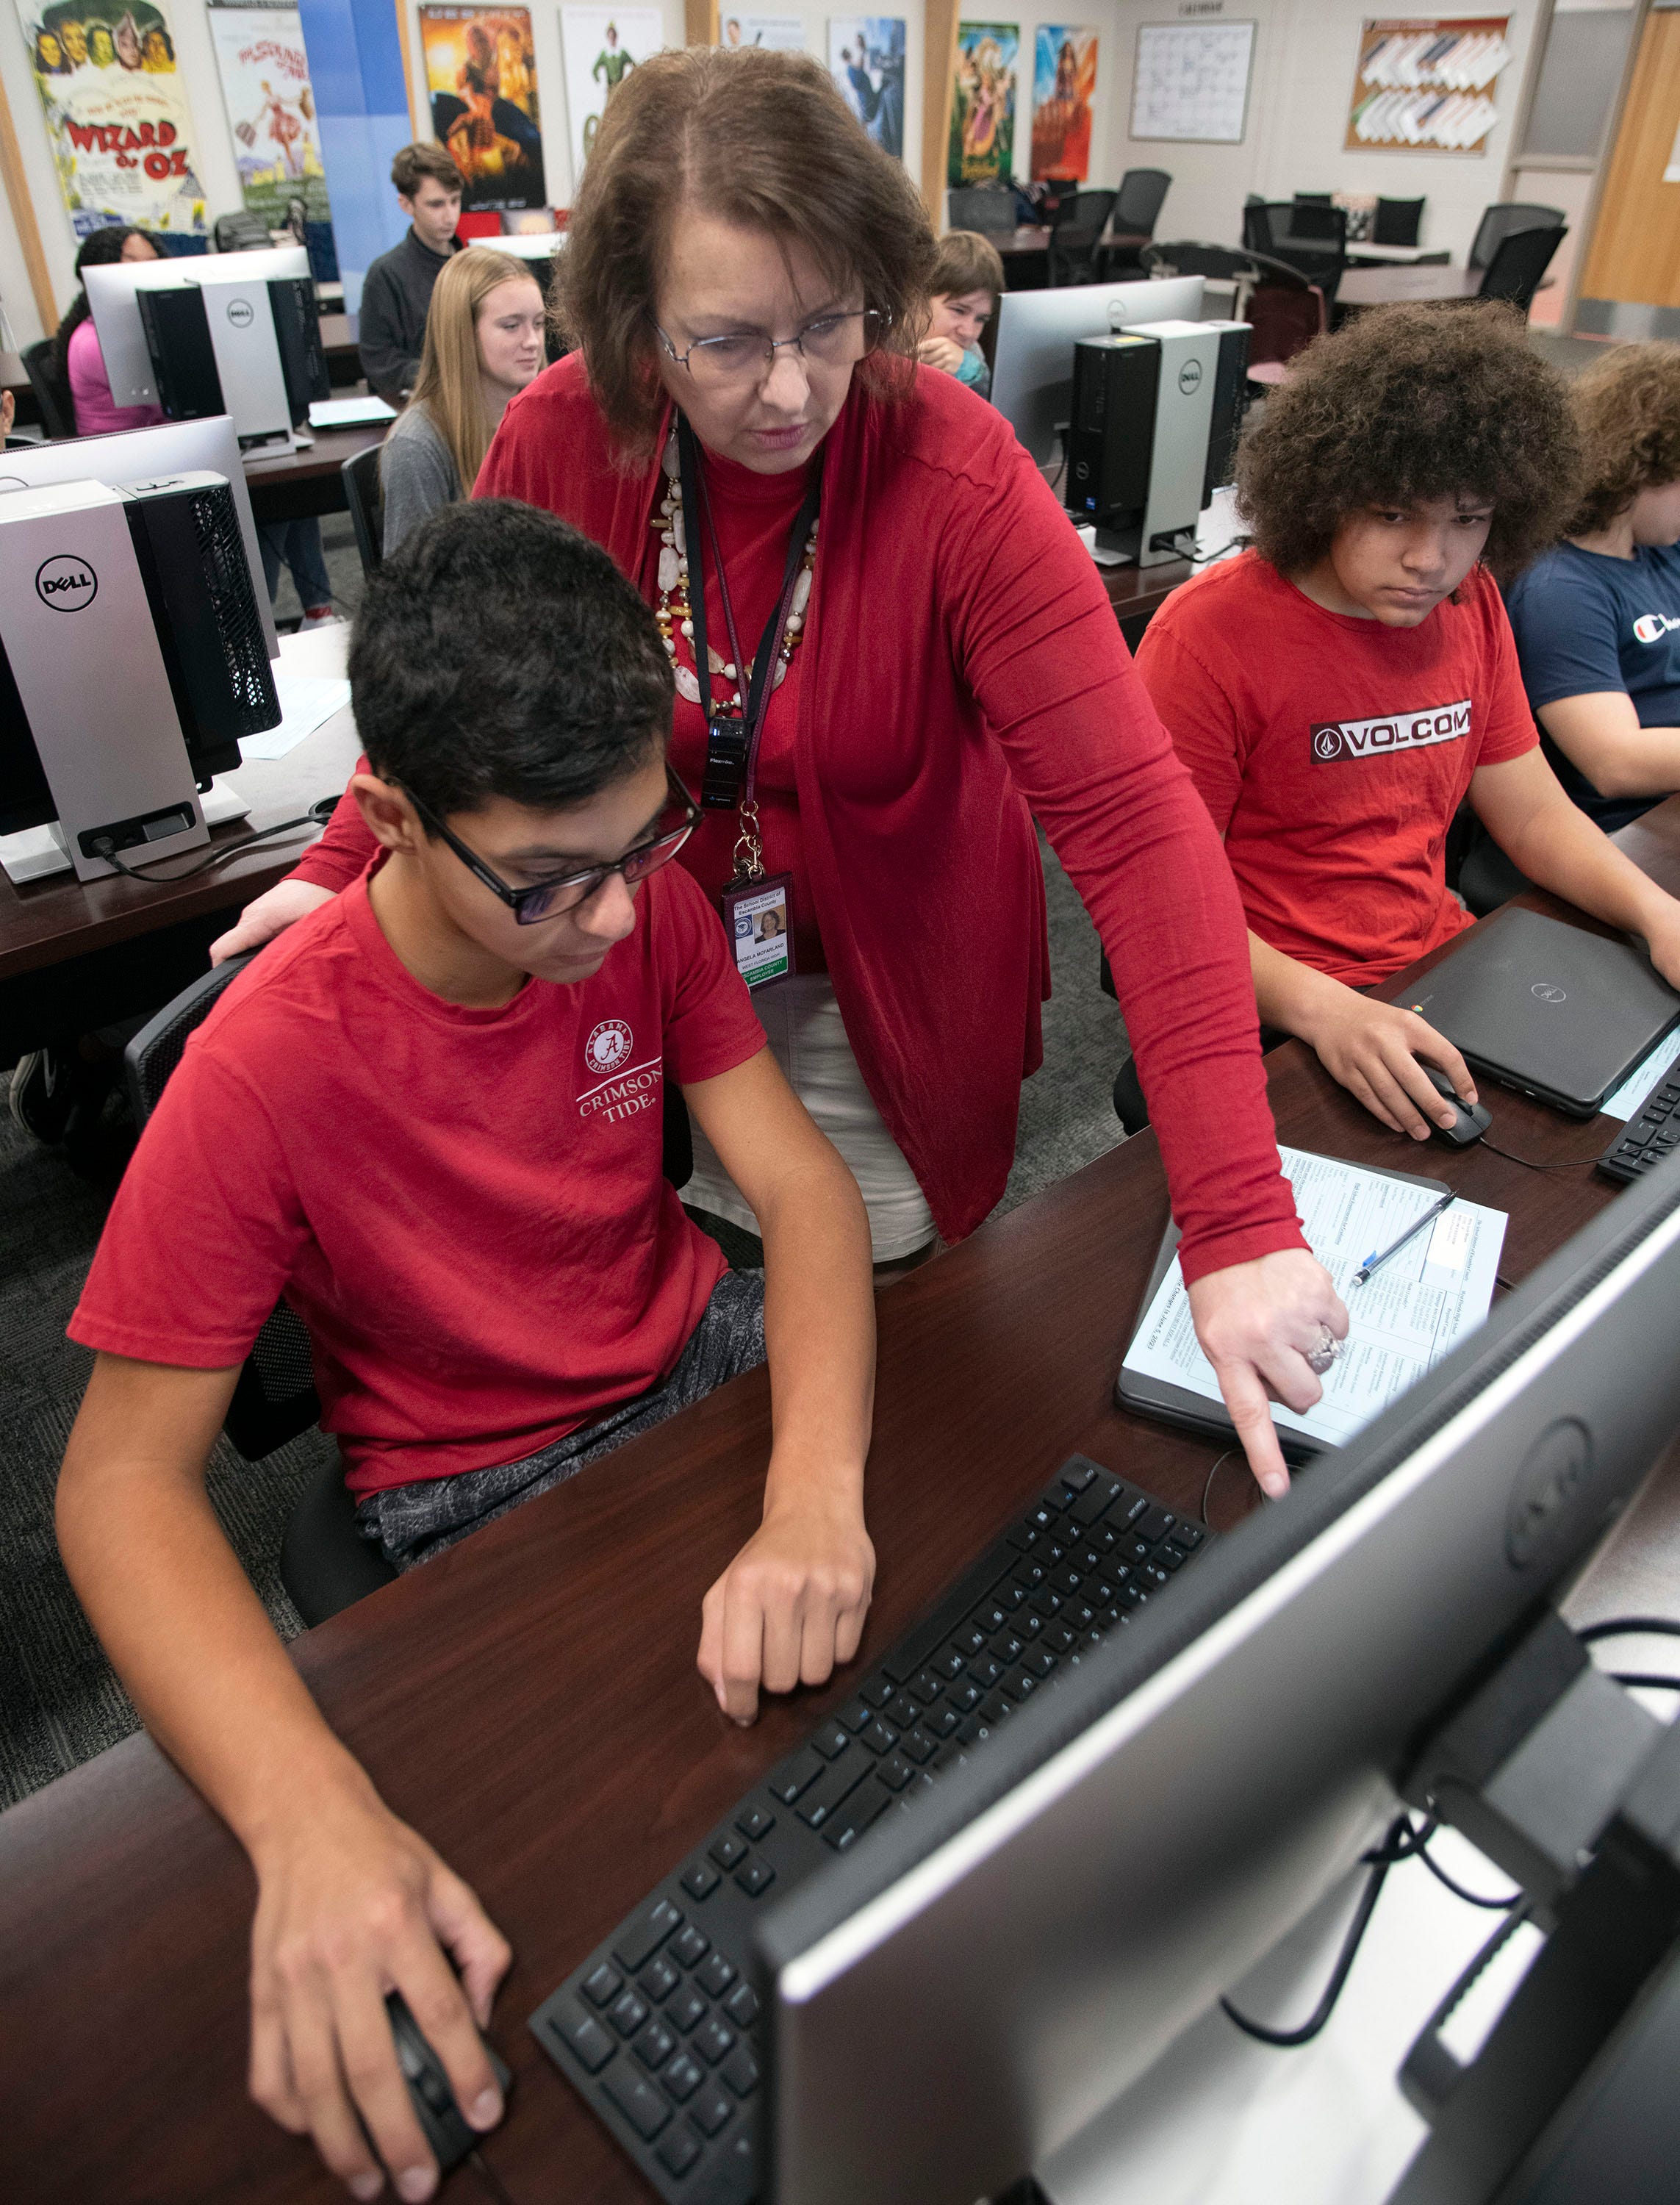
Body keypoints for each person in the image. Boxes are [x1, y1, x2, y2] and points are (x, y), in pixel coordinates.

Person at [208, 46, 1346, 1503]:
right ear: (637, 320)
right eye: (728, 341)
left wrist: (1238, 1220)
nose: (793, 388)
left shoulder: (953, 470)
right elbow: (462, 664)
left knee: (881, 1297)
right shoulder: (567, 430)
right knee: (650, 1294)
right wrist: (335, 870)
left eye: (829, 322)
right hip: (635, 935)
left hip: (888, 962)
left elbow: (1135, 829)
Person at [58, 498, 876, 2201]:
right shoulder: (265, 1065)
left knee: (907, 1666)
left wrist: (811, 1494)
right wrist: (303, 1816)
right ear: (391, 820)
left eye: (642, 845)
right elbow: (119, 1485)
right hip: (476, 1479)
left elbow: (800, 1194)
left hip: (691, 1359)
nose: (611, 919)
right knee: (603, 1879)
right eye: (548, 881)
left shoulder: (638, 907)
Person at [1136, 304, 1680, 1147]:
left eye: (1468, 519)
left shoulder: (1472, 601)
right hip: (1278, 998)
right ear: (1326, 492)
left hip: (1435, 967)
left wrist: (1657, 914)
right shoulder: (1207, 637)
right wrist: (1328, 1012)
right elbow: (1158, 911)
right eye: (1393, 515)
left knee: (1605, 1138)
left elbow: (1534, 815)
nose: (1431, 559)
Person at [1506, 342, 1680, 836]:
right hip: (1631, 828)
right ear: (1644, 470)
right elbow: (1615, 762)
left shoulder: (1662, 551)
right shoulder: (1561, 589)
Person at [379, 248, 546, 554]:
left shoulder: (542, 421)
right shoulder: (416, 446)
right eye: (511, 326)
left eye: (538, 323)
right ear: (463, 334)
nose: (533, 341)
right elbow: (412, 579)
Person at [358, 143, 464, 404]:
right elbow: (381, 363)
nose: (450, 216)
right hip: (422, 405)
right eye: (436, 205)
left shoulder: (472, 265)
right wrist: (449, 376)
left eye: (455, 201)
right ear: (406, 205)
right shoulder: (385, 275)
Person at [55, 223, 165, 435]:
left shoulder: (134, 329)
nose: (146, 274)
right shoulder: (95, 343)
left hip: (153, 439)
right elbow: (170, 403)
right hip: (125, 449)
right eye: (131, 264)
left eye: (152, 263)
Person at [918, 229, 1002, 400]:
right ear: (918, 296)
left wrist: (973, 375)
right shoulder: (879, 343)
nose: (968, 333)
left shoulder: (969, 354)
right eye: (959, 310)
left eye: (980, 319)